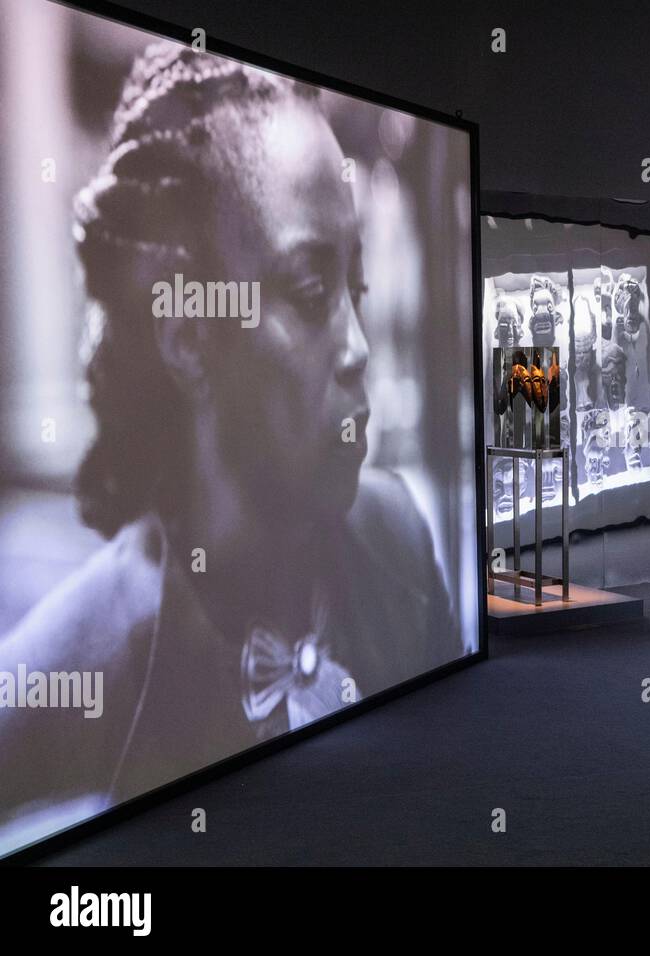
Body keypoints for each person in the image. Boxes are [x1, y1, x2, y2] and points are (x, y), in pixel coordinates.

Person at [0, 44, 458, 851]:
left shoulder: (401, 540)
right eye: (312, 293)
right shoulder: (50, 693)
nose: (357, 347)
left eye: (356, 289)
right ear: (188, 337)